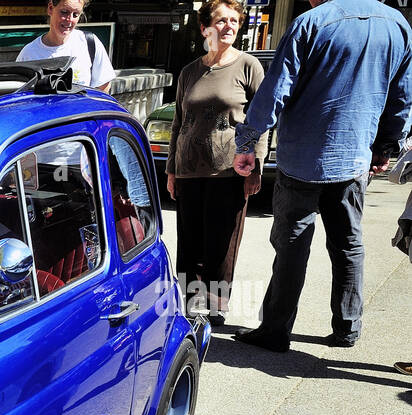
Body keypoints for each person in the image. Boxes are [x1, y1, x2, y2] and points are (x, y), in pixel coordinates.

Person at [231, 0, 412, 352]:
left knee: (292, 245)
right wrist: (386, 146)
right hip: (355, 156)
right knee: (348, 244)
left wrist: (248, 142)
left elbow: (274, 90)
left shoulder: (311, 23)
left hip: (303, 157)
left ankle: (276, 329)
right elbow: (402, 97)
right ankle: (347, 327)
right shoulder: (397, 24)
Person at [167, 0, 266, 326]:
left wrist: (256, 165)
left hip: (229, 171)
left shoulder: (249, 67)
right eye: (221, 20)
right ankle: (191, 306)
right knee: (190, 241)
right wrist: (171, 169)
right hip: (189, 170)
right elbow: (179, 123)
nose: (228, 26)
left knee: (221, 245)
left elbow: (261, 120)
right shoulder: (189, 72)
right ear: (205, 27)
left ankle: (216, 307)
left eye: (234, 21)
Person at [16, 0, 116, 93]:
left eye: (75, 15)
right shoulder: (29, 53)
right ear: (50, 8)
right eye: (64, 12)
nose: (69, 19)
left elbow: (103, 86)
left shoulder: (90, 43)